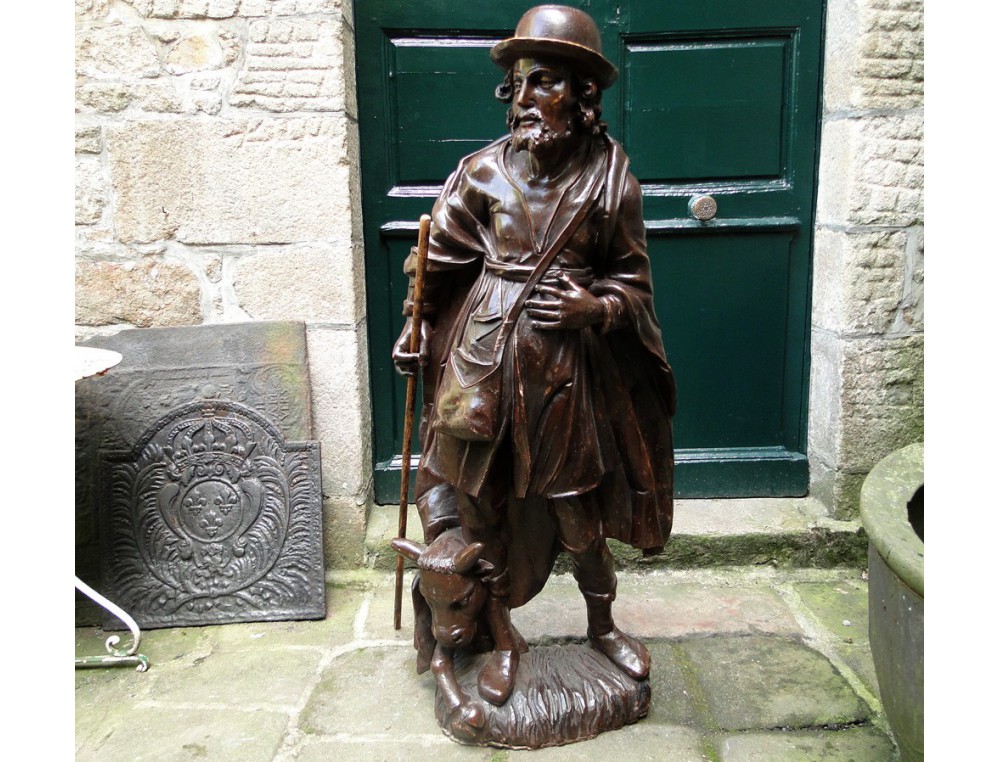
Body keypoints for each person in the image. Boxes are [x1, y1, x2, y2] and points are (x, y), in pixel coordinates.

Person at [392, 4, 675, 707]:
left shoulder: (612, 185)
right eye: (517, 84)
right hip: (481, 360)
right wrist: (415, 327)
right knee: (477, 508)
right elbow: (434, 264)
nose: (523, 100)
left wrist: (595, 309)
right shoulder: (482, 173)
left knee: (578, 519)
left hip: (560, 378)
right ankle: (502, 636)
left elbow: (633, 285)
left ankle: (603, 628)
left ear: (583, 95)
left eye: (542, 81)